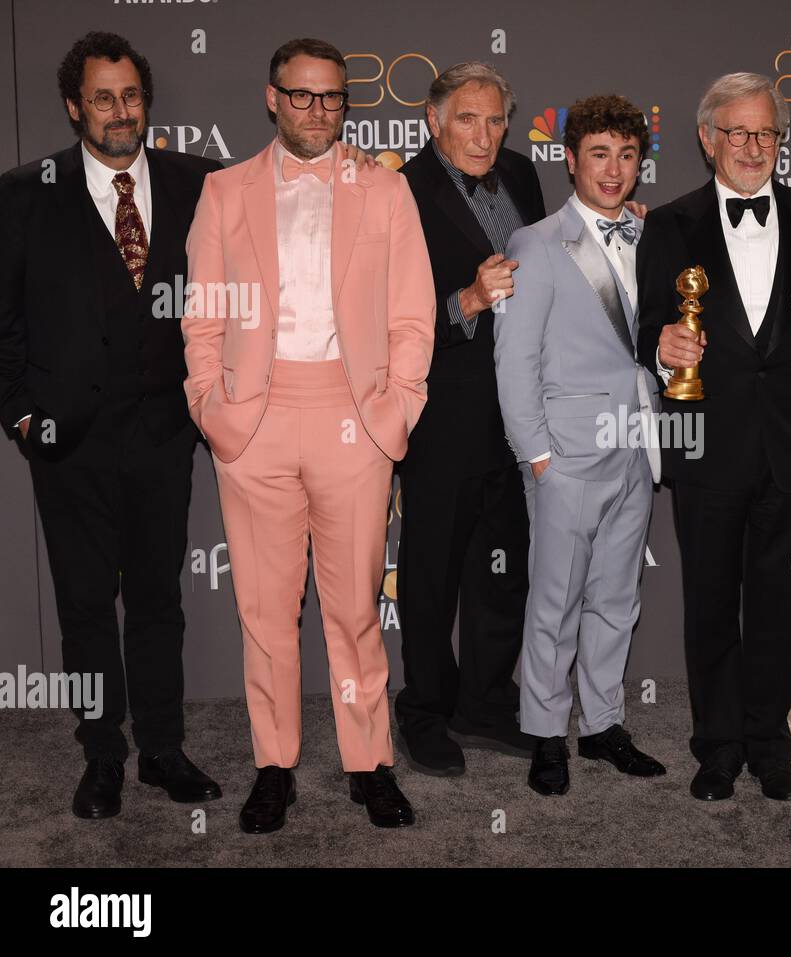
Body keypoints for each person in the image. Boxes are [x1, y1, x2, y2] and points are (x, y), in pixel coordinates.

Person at [182, 38, 435, 831]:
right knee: (263, 610)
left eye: (331, 98)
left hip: (352, 419)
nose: (318, 112)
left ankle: (369, 763)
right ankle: (274, 764)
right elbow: (202, 315)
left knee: (355, 610)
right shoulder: (225, 191)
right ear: (271, 97)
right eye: (301, 96)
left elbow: (412, 314)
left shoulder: (385, 193)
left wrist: (392, 412)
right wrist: (214, 411)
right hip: (252, 422)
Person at [0, 31, 222, 819]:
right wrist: (25, 417)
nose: (120, 112)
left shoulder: (201, 183)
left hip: (164, 433)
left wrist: (358, 169)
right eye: (103, 98)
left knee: (160, 597)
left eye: (130, 96)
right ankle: (102, 753)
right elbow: (4, 325)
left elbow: (287, 197)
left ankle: (162, 748)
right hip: (69, 443)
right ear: (74, 107)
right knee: (86, 604)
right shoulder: (24, 193)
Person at [637, 73, 791, 802]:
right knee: (709, 603)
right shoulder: (668, 225)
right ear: (707, 139)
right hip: (705, 443)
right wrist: (660, 345)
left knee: (778, 603)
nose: (754, 147)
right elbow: (645, 329)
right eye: (738, 133)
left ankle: (770, 745)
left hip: (789, 441)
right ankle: (717, 747)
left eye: (766, 133)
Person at [495, 94, 664, 797]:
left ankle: (601, 724)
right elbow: (513, 361)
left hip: (638, 445)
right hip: (565, 454)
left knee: (616, 598)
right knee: (555, 601)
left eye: (627, 155)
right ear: (569, 159)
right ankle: (543, 732)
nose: (614, 168)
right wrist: (537, 456)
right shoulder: (536, 242)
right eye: (599, 153)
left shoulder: (656, 236)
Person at [394, 62, 544, 776]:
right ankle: (423, 709)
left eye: (494, 120)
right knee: (430, 576)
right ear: (433, 121)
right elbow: (380, 315)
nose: (484, 136)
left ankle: (485, 700)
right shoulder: (399, 192)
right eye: (466, 120)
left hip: (515, 416)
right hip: (442, 415)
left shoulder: (521, 173)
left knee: (502, 571)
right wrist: (467, 301)